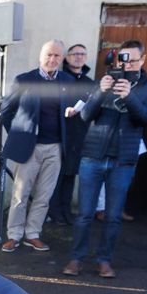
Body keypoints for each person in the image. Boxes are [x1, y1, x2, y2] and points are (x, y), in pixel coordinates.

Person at [62, 40, 147, 277]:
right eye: (123, 59)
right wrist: (101, 91)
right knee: (84, 214)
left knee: (113, 216)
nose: (127, 64)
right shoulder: (104, 81)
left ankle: (104, 260)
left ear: (142, 60)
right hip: (93, 155)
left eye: (133, 60)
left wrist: (130, 97)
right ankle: (76, 258)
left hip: (123, 160)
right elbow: (85, 115)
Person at [0, 40, 68, 252]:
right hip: (31, 147)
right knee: (21, 193)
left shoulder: (67, 81)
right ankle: (14, 234)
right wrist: (19, 136)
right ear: (40, 56)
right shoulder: (24, 80)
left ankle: (33, 234)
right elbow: (6, 112)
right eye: (48, 55)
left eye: (56, 55)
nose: (52, 59)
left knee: (44, 195)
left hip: (55, 148)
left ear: (61, 58)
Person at [47, 43, 95, 225]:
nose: (79, 57)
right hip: (60, 133)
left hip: (79, 134)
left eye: (83, 54)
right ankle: (54, 212)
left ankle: (66, 211)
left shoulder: (90, 83)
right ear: (67, 58)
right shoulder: (60, 79)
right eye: (75, 54)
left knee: (70, 174)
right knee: (56, 175)